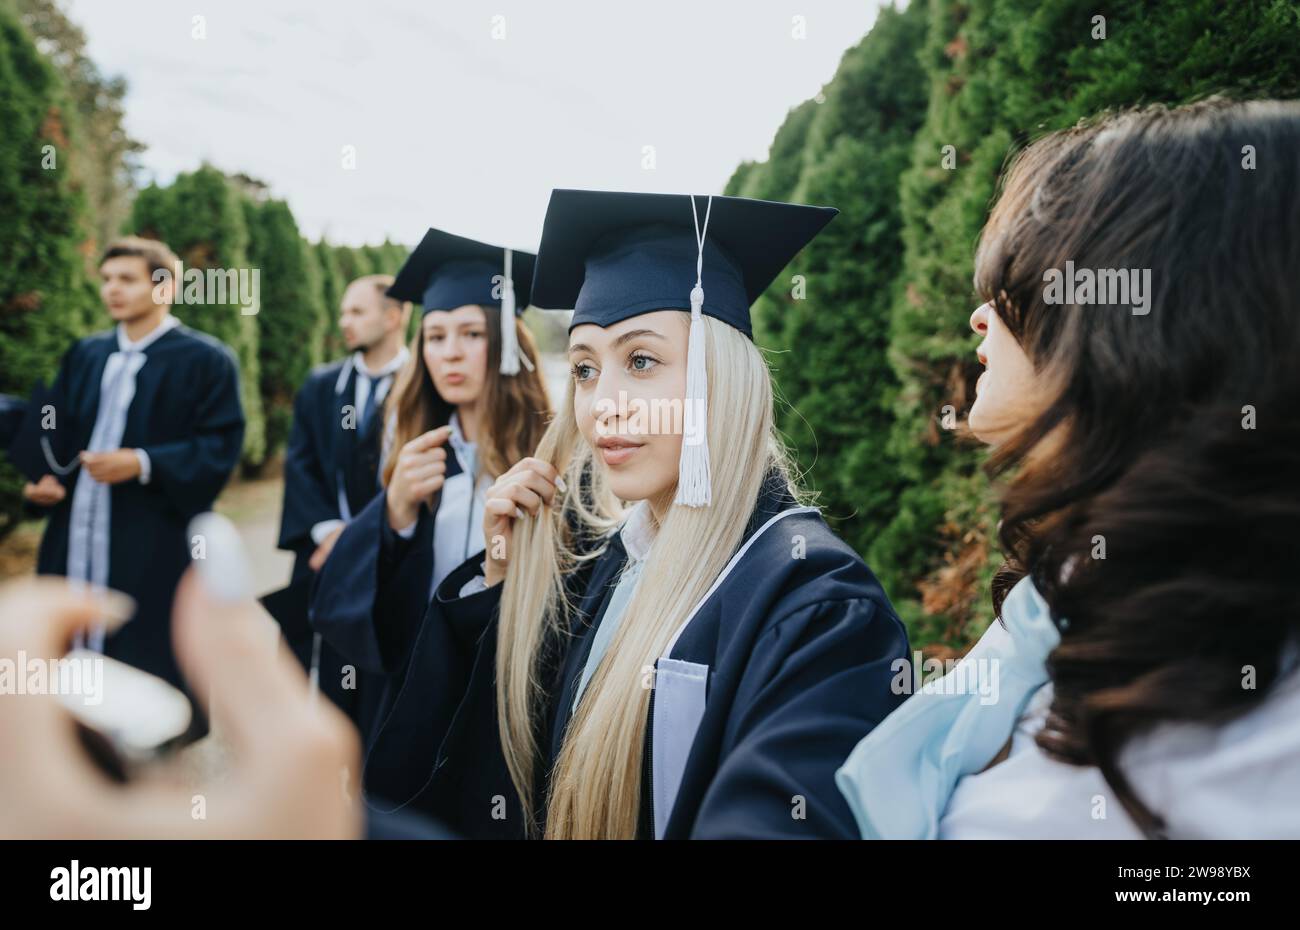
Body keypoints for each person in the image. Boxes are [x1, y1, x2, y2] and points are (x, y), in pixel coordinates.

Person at [361, 189, 910, 839]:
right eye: (587, 369)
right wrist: (506, 583)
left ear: (721, 373)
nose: (603, 405)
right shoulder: (611, 564)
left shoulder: (817, 607)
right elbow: (509, 773)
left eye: (641, 360)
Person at [836, 98, 1300, 839]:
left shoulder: (1256, 736)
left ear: (1144, 322)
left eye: (1019, 284)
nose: (977, 318)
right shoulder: (1070, 606)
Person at [311, 229, 552, 755]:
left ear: (507, 343)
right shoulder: (410, 452)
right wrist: (394, 512)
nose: (450, 354)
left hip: (504, 693)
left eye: (471, 334)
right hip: (412, 684)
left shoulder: (549, 457)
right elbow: (349, 606)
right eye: (436, 336)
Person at [21, 237, 244, 696]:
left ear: (164, 287)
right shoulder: (87, 353)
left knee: (142, 638)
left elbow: (220, 445)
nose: (112, 290)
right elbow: (56, 431)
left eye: (127, 279)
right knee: (64, 639)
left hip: (149, 529)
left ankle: (144, 740)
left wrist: (143, 462)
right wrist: (46, 480)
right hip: (75, 528)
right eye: (106, 279)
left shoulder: (207, 359)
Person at [270, 274, 411, 737]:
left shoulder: (422, 387)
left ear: (393, 317)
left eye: (357, 312)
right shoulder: (322, 385)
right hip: (324, 552)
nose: (343, 321)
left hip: (392, 559)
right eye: (343, 311)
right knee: (315, 676)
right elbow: (301, 464)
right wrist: (328, 532)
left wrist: (367, 540)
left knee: (380, 689)